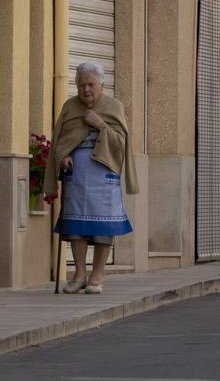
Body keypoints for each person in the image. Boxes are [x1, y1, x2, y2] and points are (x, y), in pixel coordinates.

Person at [43, 62, 136, 293]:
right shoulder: (69, 107)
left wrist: (101, 125)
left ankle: (97, 275)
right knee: (76, 225)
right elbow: (60, 141)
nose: (86, 90)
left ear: (101, 84)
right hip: (76, 175)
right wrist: (62, 157)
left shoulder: (114, 107)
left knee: (103, 227)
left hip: (104, 176)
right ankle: (79, 275)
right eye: (81, 85)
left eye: (90, 84)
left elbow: (121, 144)